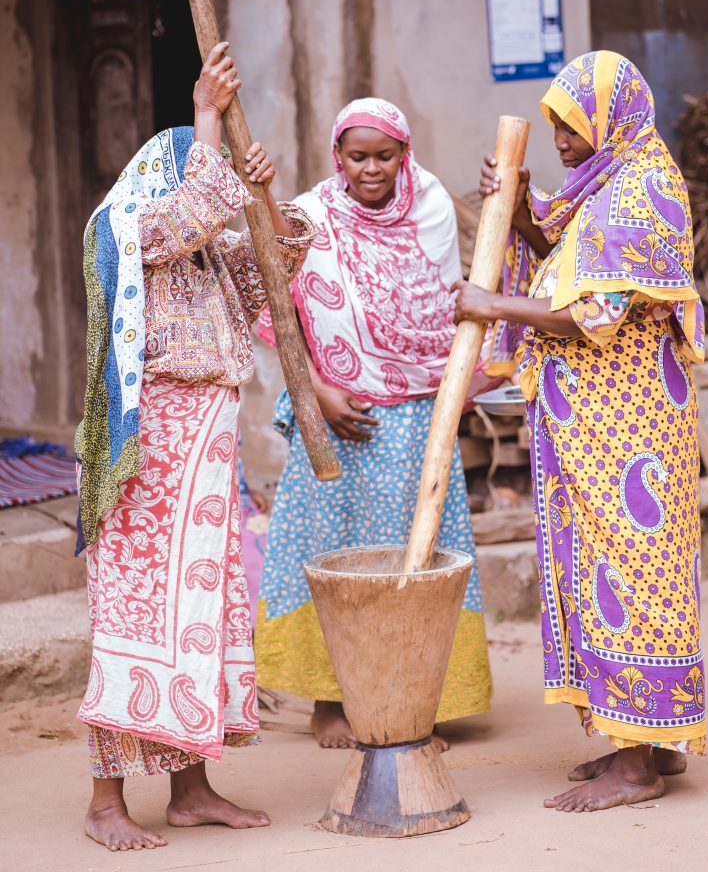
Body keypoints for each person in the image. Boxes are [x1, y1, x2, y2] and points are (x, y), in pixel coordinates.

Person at [75, 42, 315, 851]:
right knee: (137, 618)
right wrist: (206, 113)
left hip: (206, 452)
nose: (203, 184)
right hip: (147, 455)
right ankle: (105, 802)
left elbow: (276, 266)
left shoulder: (205, 251)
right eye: (193, 170)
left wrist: (265, 195)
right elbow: (189, 214)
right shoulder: (125, 228)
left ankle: (190, 789)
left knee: (198, 617)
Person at [453, 50, 706, 812]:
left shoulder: (643, 189)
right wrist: (523, 215)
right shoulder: (605, 184)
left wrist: (491, 306)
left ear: (612, 119)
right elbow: (571, 268)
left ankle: (637, 768)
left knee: (630, 573)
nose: (561, 141)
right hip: (597, 428)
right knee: (608, 571)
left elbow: (595, 312)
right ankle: (649, 740)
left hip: (631, 434)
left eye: (572, 126)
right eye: (555, 125)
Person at [254, 97, 492, 748]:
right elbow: (278, 302)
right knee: (330, 550)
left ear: (404, 154)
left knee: (418, 554)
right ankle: (328, 701)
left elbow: (445, 313)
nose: (371, 169)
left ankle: (416, 696)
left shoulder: (433, 210)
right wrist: (320, 390)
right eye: (357, 156)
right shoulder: (312, 215)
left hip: (416, 422)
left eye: (385, 156)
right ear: (338, 155)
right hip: (336, 421)